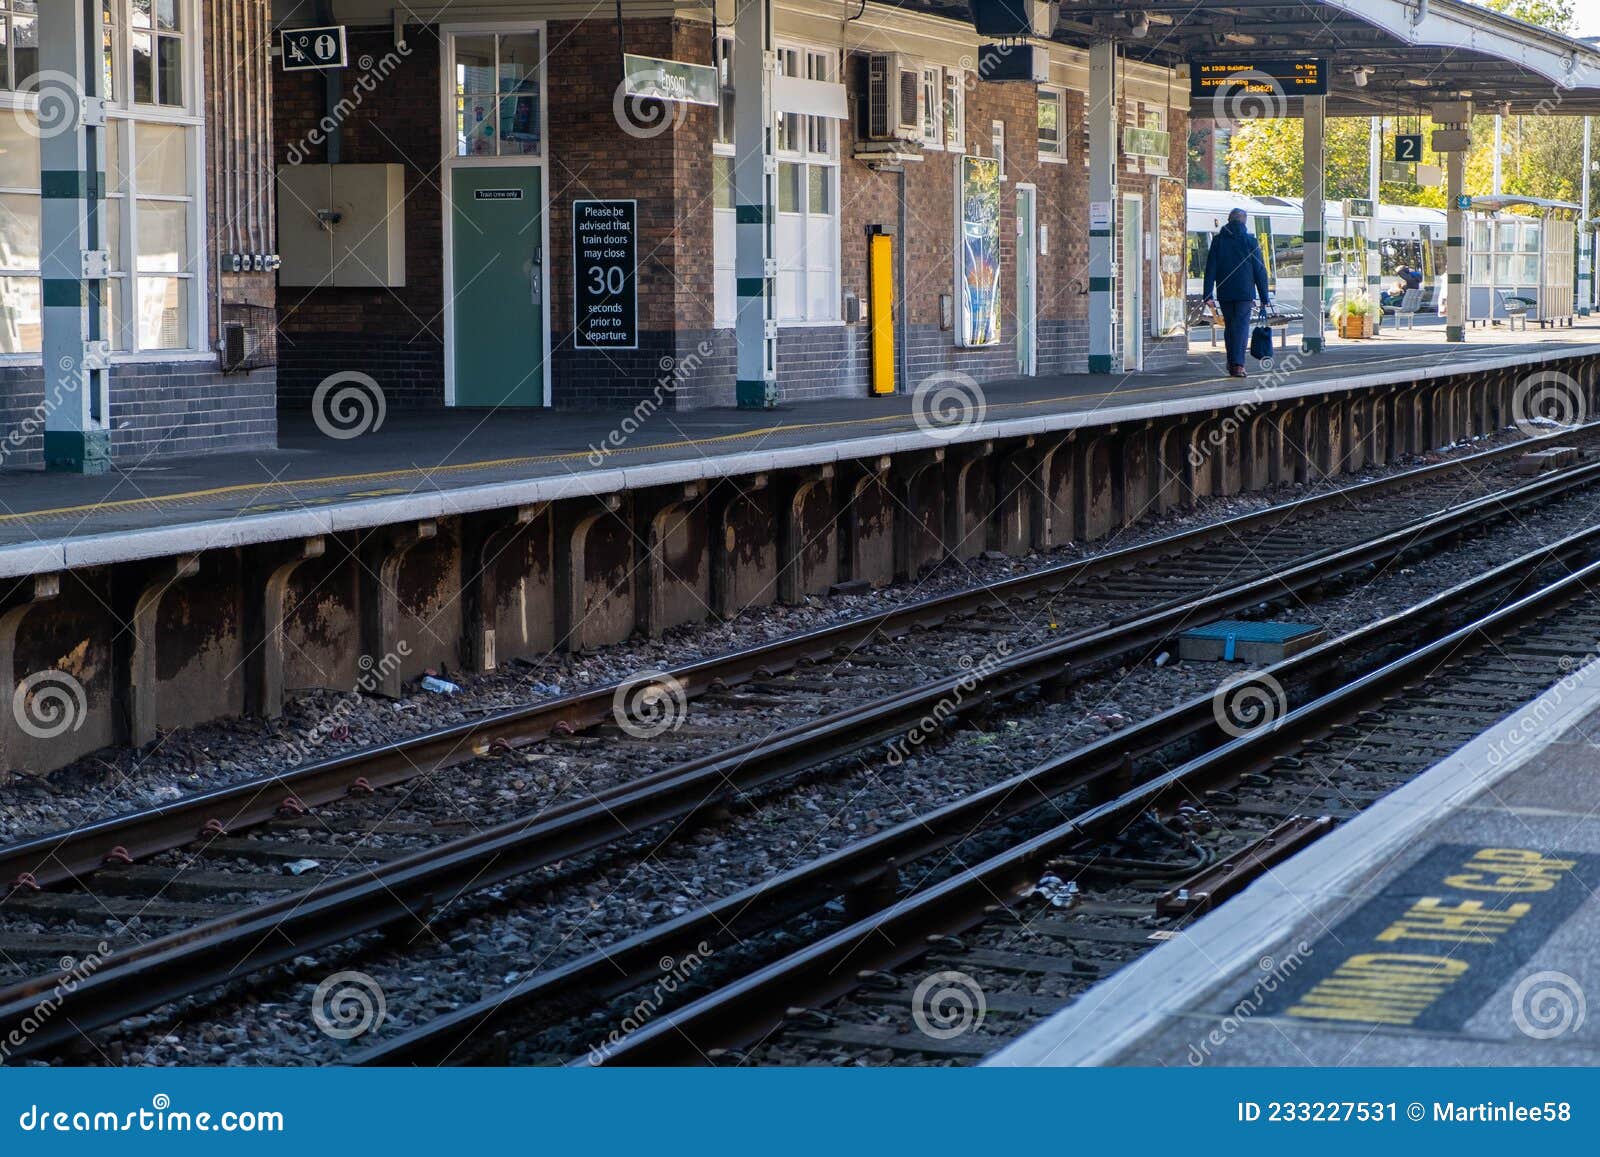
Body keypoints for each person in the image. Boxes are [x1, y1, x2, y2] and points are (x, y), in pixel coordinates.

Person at [1202, 208, 1271, 378]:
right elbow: (1260, 270)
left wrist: (1208, 295)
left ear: (1229, 220)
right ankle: (1238, 365)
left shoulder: (1218, 241)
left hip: (1225, 292)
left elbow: (1210, 268)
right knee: (1240, 328)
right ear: (1244, 221)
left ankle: (1232, 361)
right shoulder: (1250, 241)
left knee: (1230, 328)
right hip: (1244, 293)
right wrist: (1264, 296)